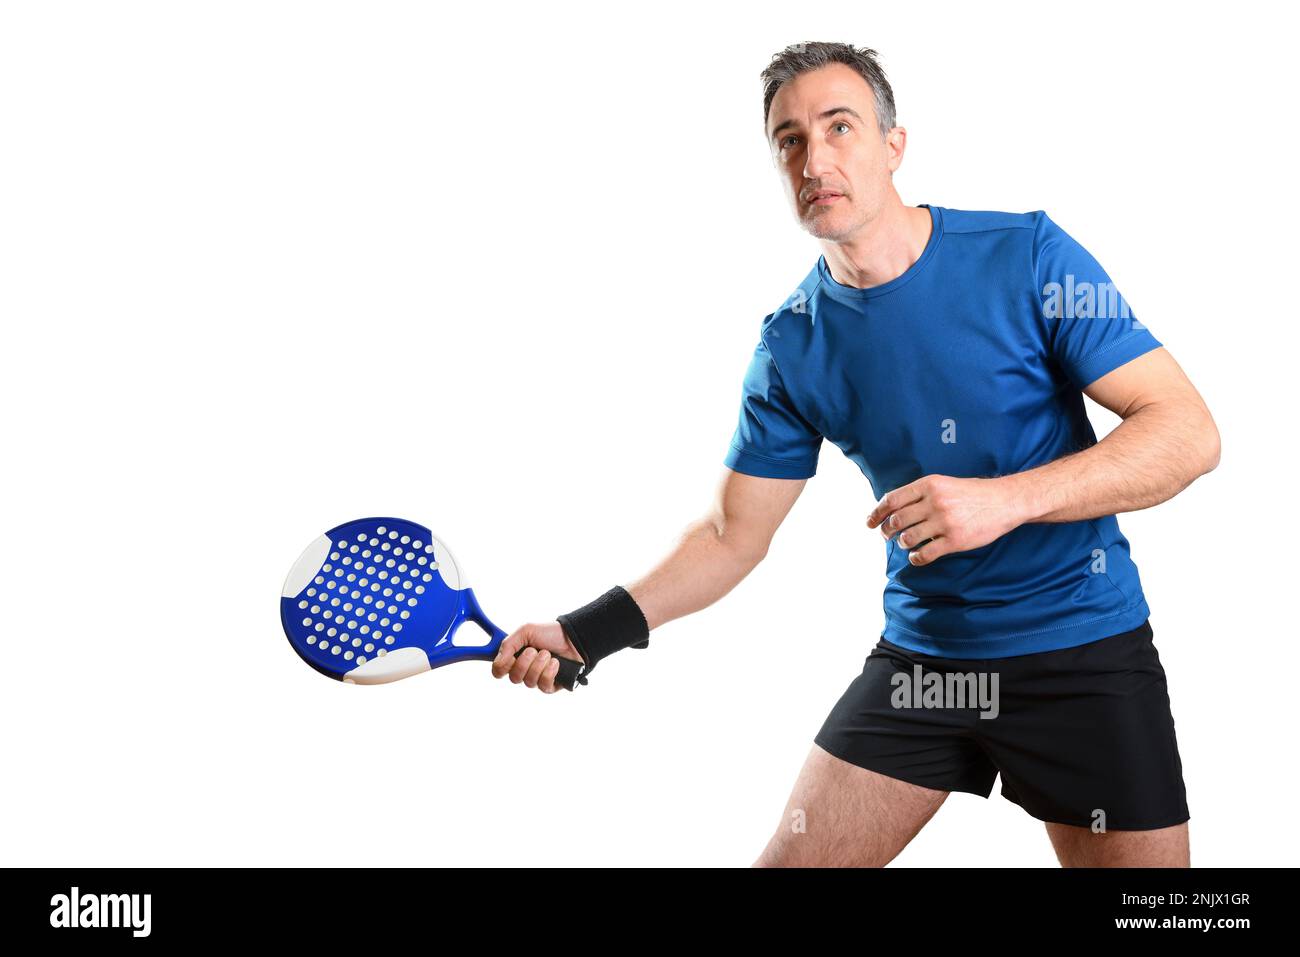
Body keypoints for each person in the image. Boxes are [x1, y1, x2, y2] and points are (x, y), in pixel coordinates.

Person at [491, 41, 1220, 868]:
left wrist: (1004, 499)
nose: (815, 158)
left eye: (840, 127)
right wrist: (586, 633)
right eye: (790, 140)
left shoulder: (1028, 257)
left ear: (893, 145)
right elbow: (732, 534)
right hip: (927, 669)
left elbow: (1188, 431)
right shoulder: (793, 343)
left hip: (1084, 654)